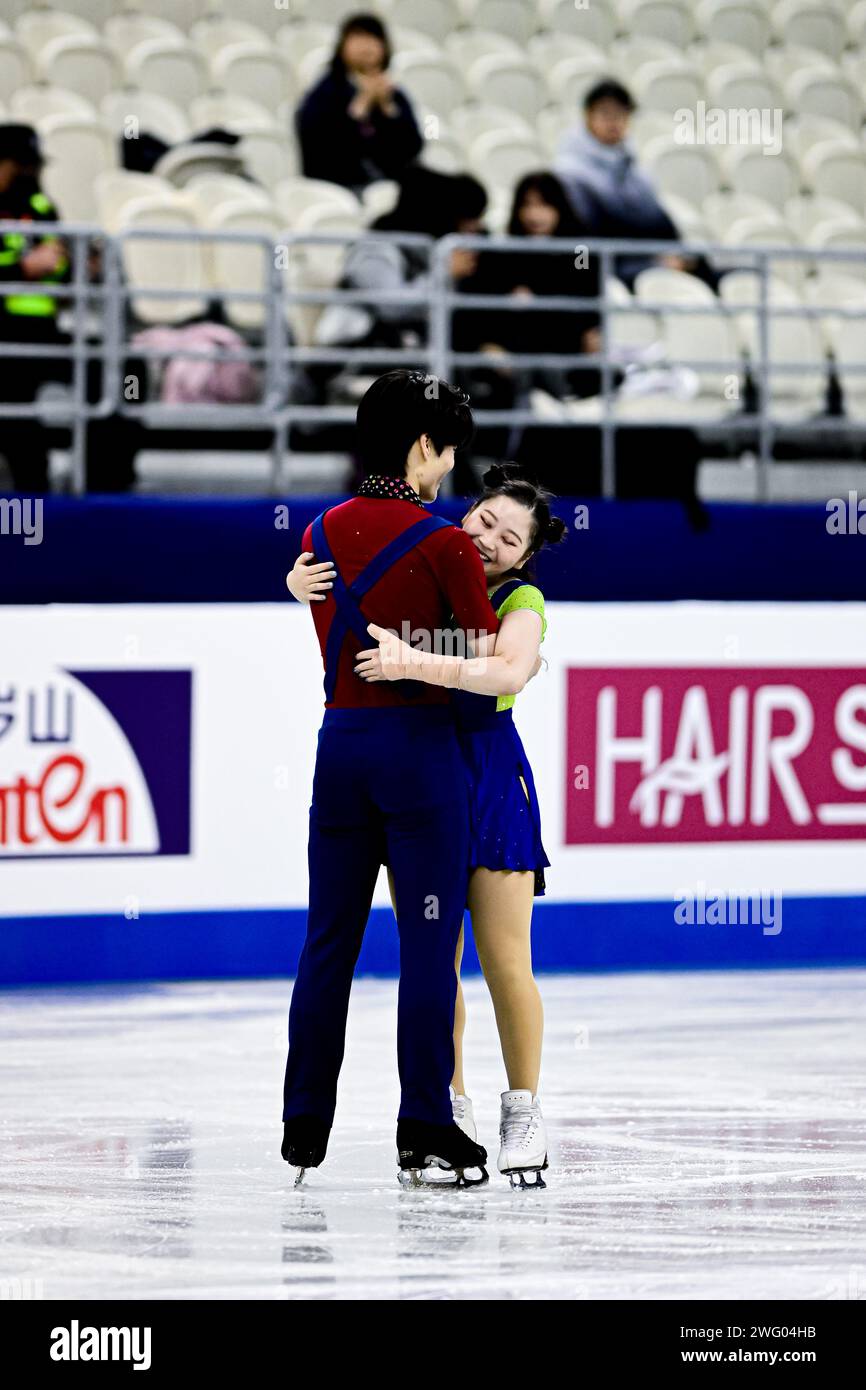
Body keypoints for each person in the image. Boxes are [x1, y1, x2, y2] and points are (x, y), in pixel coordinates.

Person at [288, 463, 567, 1188]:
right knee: (436, 956)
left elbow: (508, 672)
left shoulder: (523, 599)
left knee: (504, 957)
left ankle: (524, 1109)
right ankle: (449, 1107)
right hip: (420, 765)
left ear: (526, 556)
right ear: (465, 514)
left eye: (510, 538)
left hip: (485, 777)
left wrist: (417, 660)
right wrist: (296, 585)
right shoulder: (431, 559)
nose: (490, 541)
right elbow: (338, 573)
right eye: (485, 521)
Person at [281, 369, 501, 1189]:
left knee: (328, 940)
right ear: (420, 447)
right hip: (418, 759)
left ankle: (304, 1119)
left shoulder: (320, 533)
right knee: (428, 945)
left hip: (339, 748)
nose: (448, 471)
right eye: (445, 454)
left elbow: (323, 616)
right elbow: (483, 663)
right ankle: (424, 1125)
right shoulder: (446, 542)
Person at [554, 80, 716, 291]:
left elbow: (659, 223)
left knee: (705, 268)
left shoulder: (635, 171)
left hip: (640, 261)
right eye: (605, 114)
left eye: (621, 114)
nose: (614, 122)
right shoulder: (570, 172)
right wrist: (651, 262)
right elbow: (583, 245)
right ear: (587, 116)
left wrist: (676, 257)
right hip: (593, 266)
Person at [0, 124, 68, 493]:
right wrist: (21, 270)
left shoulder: (42, 207)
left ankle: (109, 490)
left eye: (33, 167)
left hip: (44, 334)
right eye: (19, 166)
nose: (29, 176)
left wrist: (82, 269)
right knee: (16, 402)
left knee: (122, 376)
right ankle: (33, 498)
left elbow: (62, 278)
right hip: (4, 336)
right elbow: (26, 267)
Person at [295, 13, 423, 192]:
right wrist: (360, 107)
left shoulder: (394, 94)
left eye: (373, 39)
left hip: (391, 180)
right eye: (358, 38)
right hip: (341, 184)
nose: (366, 47)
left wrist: (388, 109)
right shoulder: (324, 93)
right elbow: (320, 148)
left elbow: (413, 148)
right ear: (342, 46)